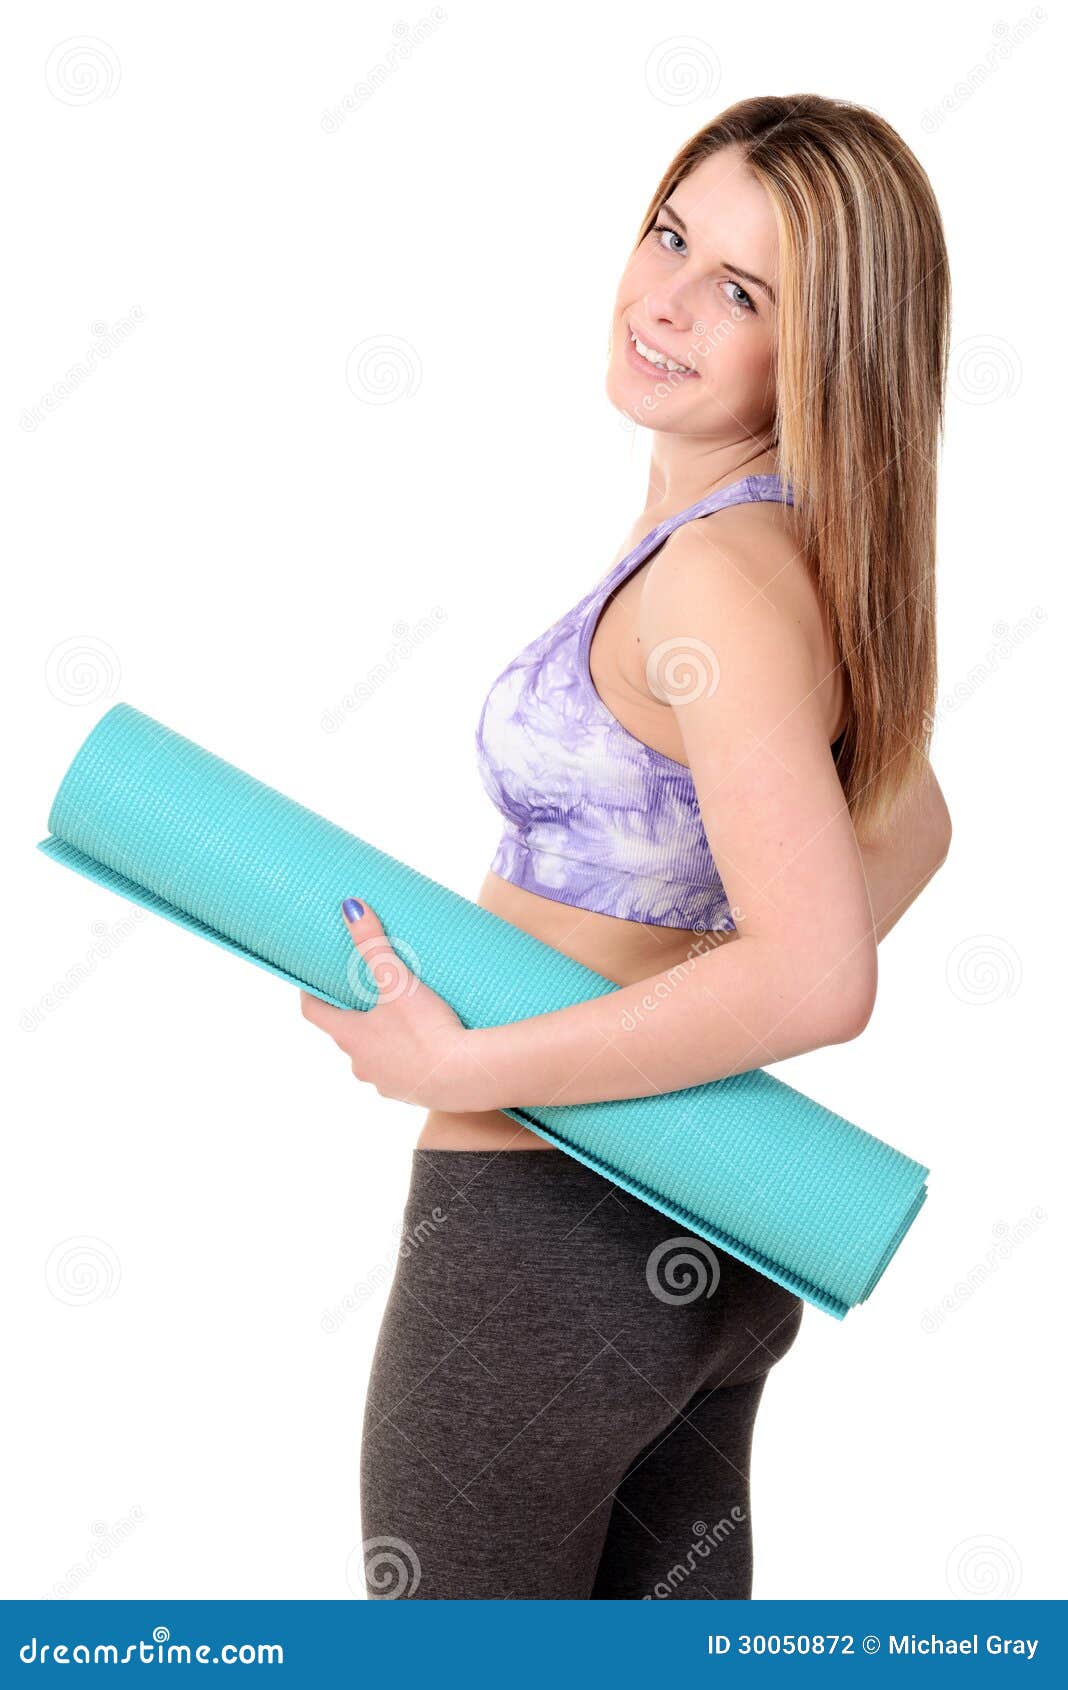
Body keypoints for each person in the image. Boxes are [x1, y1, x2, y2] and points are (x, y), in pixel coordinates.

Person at [301, 92, 954, 1599]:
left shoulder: (717, 581)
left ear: (823, 349)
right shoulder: (800, 555)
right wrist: (696, 973)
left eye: (741, 291)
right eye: (672, 231)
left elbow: (818, 976)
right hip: (702, 1226)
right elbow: (912, 824)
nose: (662, 297)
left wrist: (463, 1066)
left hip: (538, 1238)